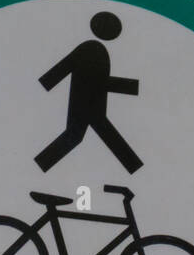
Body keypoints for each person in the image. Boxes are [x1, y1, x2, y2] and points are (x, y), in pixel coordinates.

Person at [34, 11, 142, 173]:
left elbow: (61, 73)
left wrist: (47, 82)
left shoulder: (94, 50)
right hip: (83, 100)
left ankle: (40, 165)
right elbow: (63, 71)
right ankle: (39, 165)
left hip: (90, 101)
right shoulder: (93, 50)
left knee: (78, 134)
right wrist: (129, 87)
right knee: (80, 134)